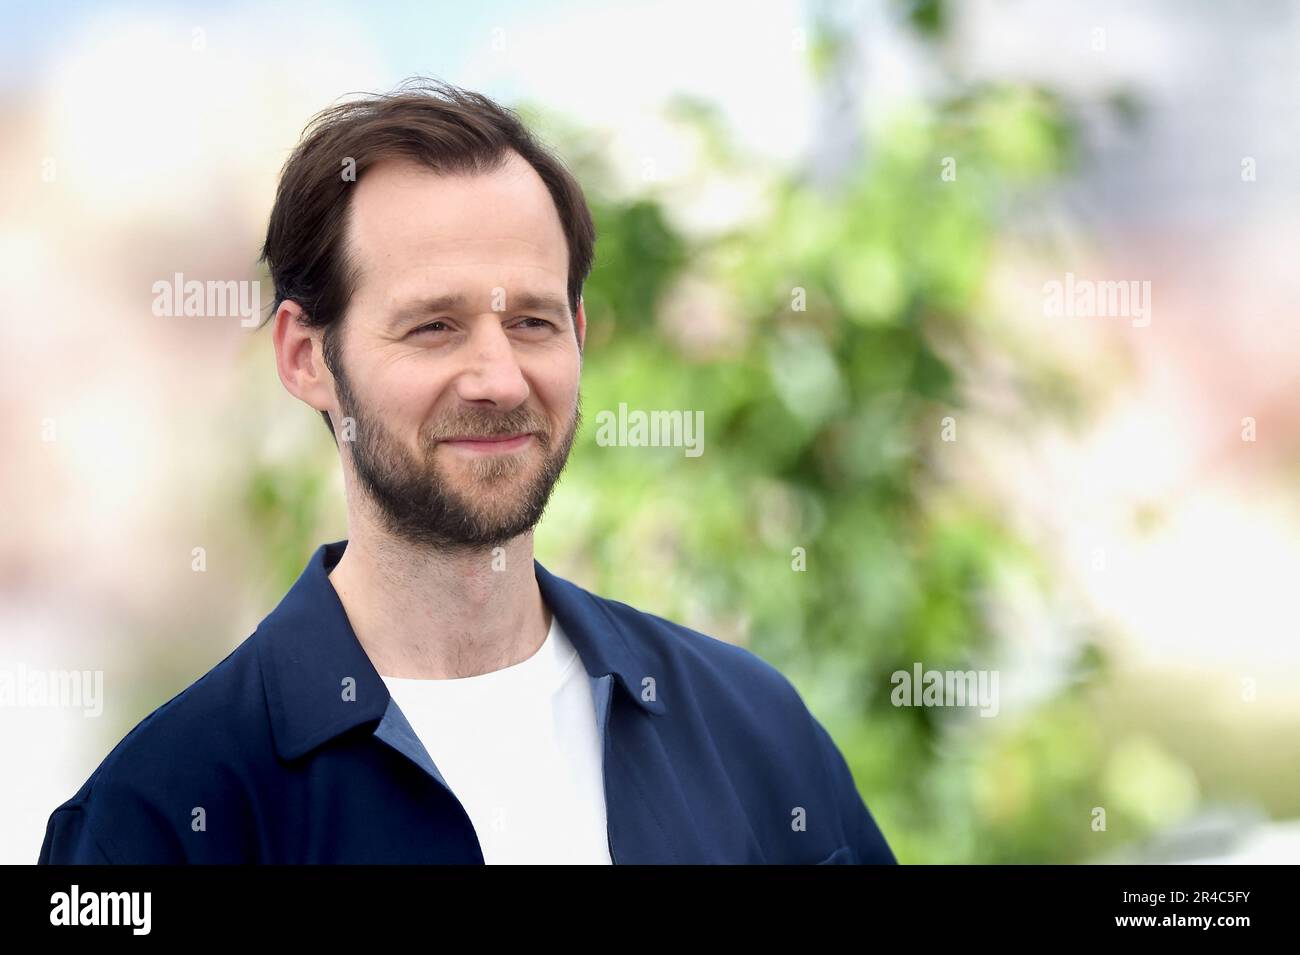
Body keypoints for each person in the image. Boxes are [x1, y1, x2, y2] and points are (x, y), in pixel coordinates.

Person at [38, 78, 895, 864]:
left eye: (531, 322)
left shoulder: (753, 730)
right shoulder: (158, 818)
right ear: (306, 357)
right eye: (434, 327)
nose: (499, 380)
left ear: (579, 335)